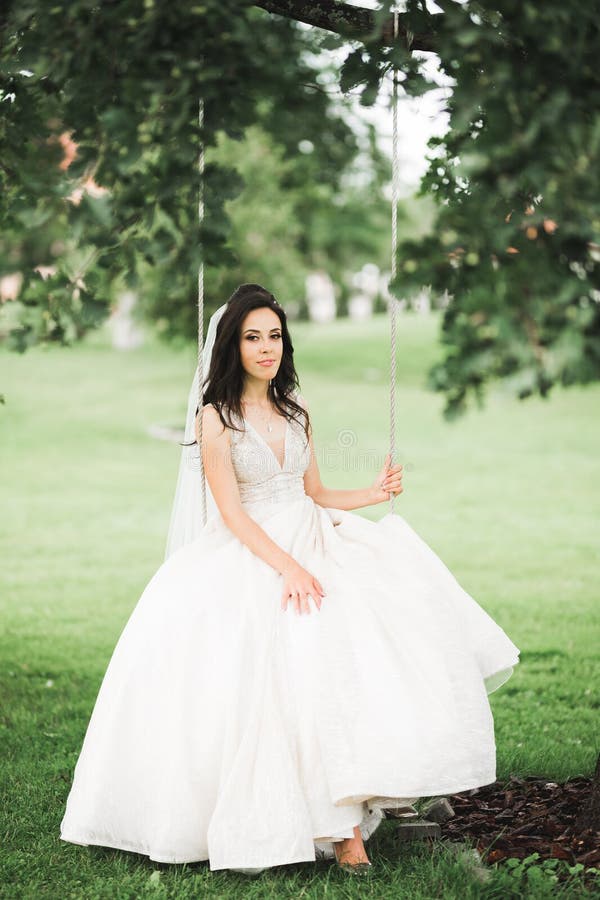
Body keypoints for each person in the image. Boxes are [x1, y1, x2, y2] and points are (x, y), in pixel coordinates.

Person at [60, 283, 520, 875]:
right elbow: (230, 513)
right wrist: (289, 566)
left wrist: (372, 494)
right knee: (291, 658)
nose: (266, 347)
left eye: (274, 335)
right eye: (252, 337)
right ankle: (340, 828)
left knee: (369, 639)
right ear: (232, 345)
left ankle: (361, 802)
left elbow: (315, 492)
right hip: (255, 551)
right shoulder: (215, 419)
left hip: (315, 535)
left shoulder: (296, 409)